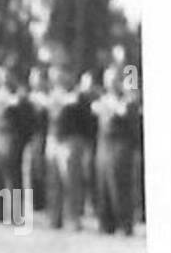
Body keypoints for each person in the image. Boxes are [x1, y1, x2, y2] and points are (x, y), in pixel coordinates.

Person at [93, 63, 142, 235]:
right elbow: (96, 109)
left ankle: (125, 224)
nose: (109, 83)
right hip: (103, 144)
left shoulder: (127, 97)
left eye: (113, 79)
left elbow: (125, 110)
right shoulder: (104, 98)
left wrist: (113, 105)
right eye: (107, 79)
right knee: (103, 184)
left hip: (120, 145)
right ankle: (106, 224)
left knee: (119, 185)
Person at [46, 62, 93, 230]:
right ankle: (55, 217)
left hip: (71, 141)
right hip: (53, 140)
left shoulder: (79, 96)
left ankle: (73, 218)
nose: (58, 77)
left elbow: (88, 123)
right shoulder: (54, 95)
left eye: (61, 73)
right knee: (54, 181)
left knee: (72, 182)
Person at [0, 64, 33, 199]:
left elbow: (25, 117)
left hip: (13, 137)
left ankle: (16, 213)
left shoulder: (20, 94)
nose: (4, 79)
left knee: (13, 176)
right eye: (2, 76)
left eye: (7, 75)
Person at [24, 65, 50, 214]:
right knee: (33, 169)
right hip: (32, 137)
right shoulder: (29, 96)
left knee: (42, 169)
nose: (34, 80)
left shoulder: (46, 96)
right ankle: (37, 203)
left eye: (37, 77)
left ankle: (45, 202)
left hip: (44, 135)